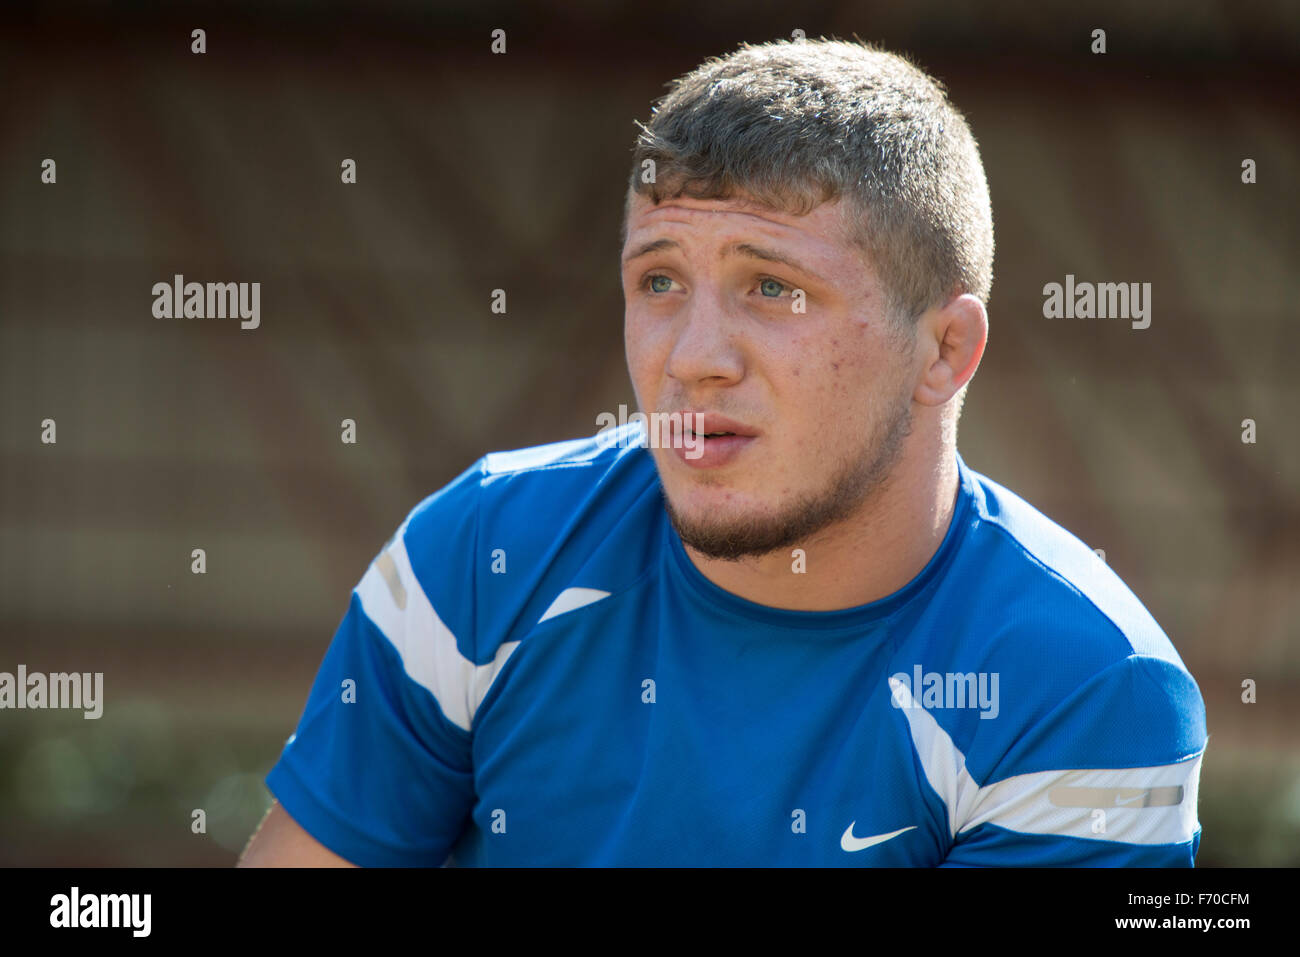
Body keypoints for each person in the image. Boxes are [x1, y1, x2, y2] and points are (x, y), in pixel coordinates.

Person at [239, 37, 1206, 867]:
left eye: (773, 288)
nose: (693, 359)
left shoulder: (1088, 691)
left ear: (943, 349)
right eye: (659, 280)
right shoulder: (484, 551)